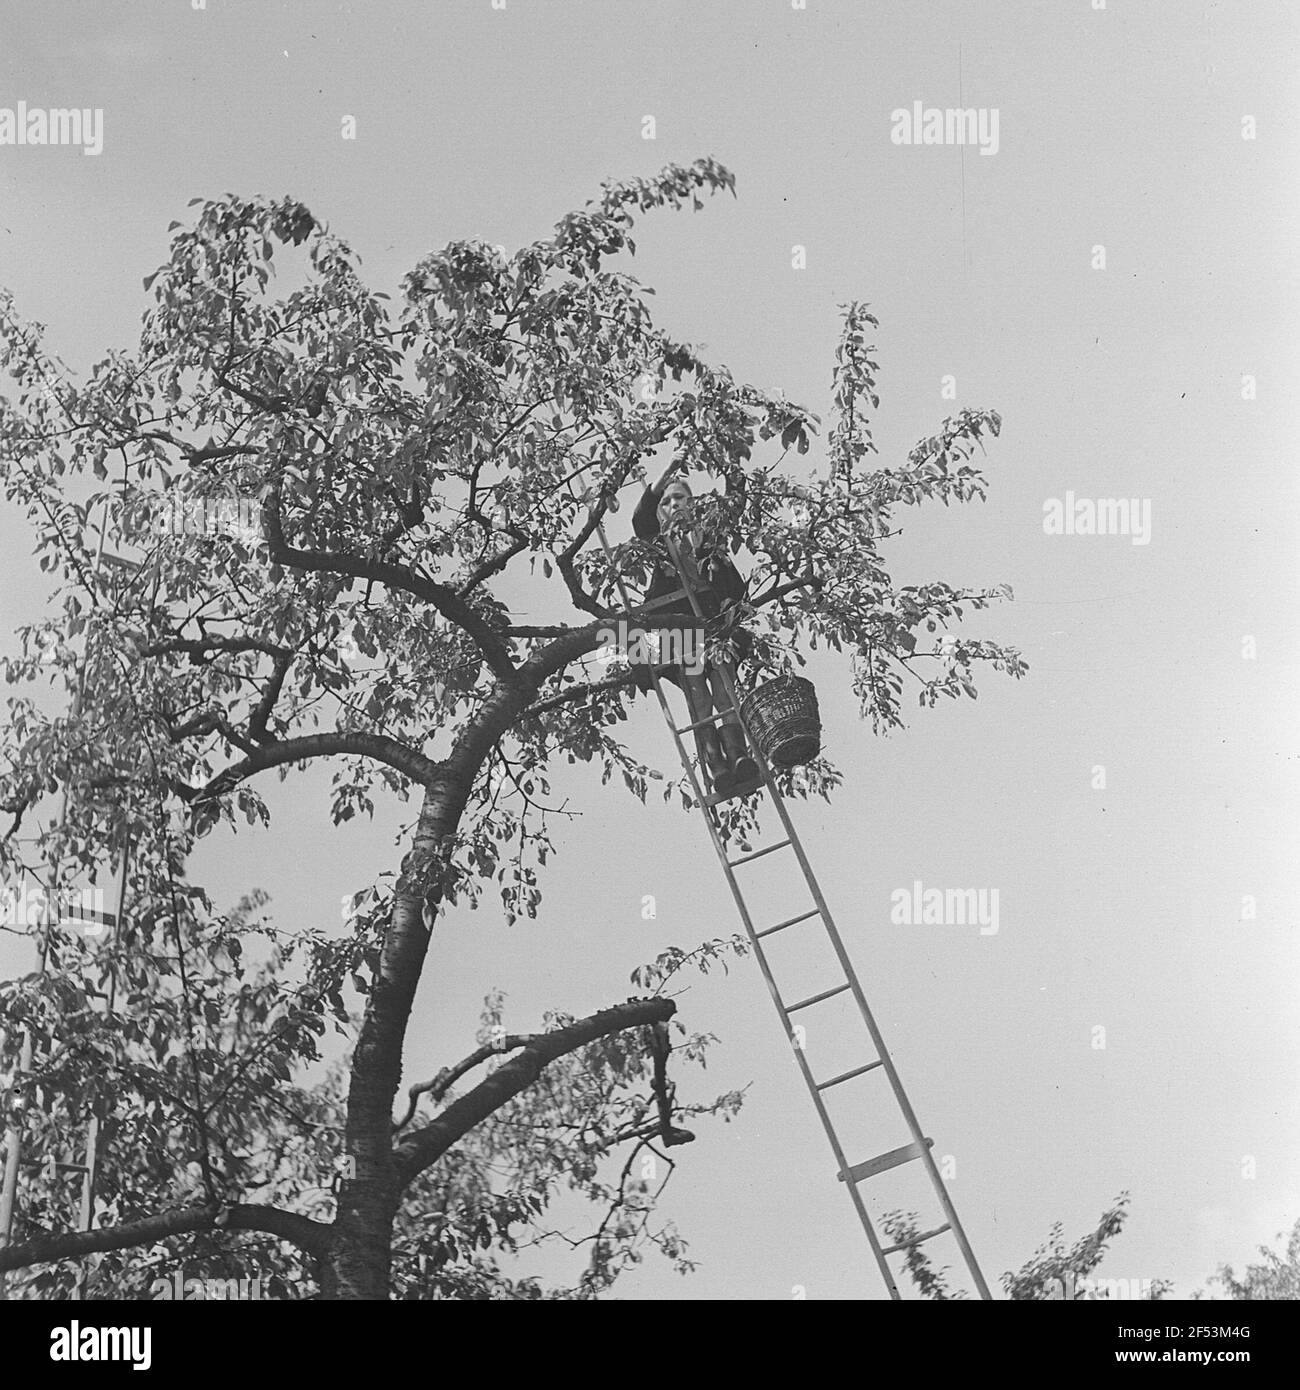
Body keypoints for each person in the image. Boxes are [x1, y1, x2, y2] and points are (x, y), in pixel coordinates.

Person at [629, 460, 761, 800]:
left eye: (680, 498)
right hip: (679, 626)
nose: (675, 505)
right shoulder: (657, 541)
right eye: (668, 501)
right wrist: (668, 470)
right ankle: (716, 765)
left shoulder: (706, 531)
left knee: (723, 690)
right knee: (698, 696)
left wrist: (730, 460)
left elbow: (734, 507)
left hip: (714, 620)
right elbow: (640, 519)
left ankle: (739, 757)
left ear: (693, 503)